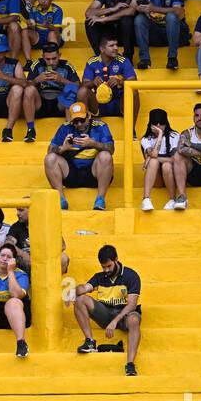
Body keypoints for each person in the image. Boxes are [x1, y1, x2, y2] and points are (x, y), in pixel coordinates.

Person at [73, 244, 142, 376]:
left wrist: (115, 321)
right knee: (80, 299)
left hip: (123, 317)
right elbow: (84, 289)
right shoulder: (99, 277)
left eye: (109, 266)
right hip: (105, 314)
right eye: (103, 267)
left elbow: (132, 305)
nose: (106, 270)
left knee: (134, 319)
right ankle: (90, 342)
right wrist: (72, 289)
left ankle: (130, 365)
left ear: (116, 259)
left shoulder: (131, 275)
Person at [44, 101, 115, 213]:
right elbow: (50, 150)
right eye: (75, 122)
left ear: (89, 116)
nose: (79, 124)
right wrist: (63, 148)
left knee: (105, 156)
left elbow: (111, 149)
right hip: (71, 172)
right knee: (50, 158)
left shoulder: (100, 126)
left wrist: (93, 144)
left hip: (94, 172)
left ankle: (100, 199)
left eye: (82, 120)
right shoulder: (65, 128)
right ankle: (60, 200)